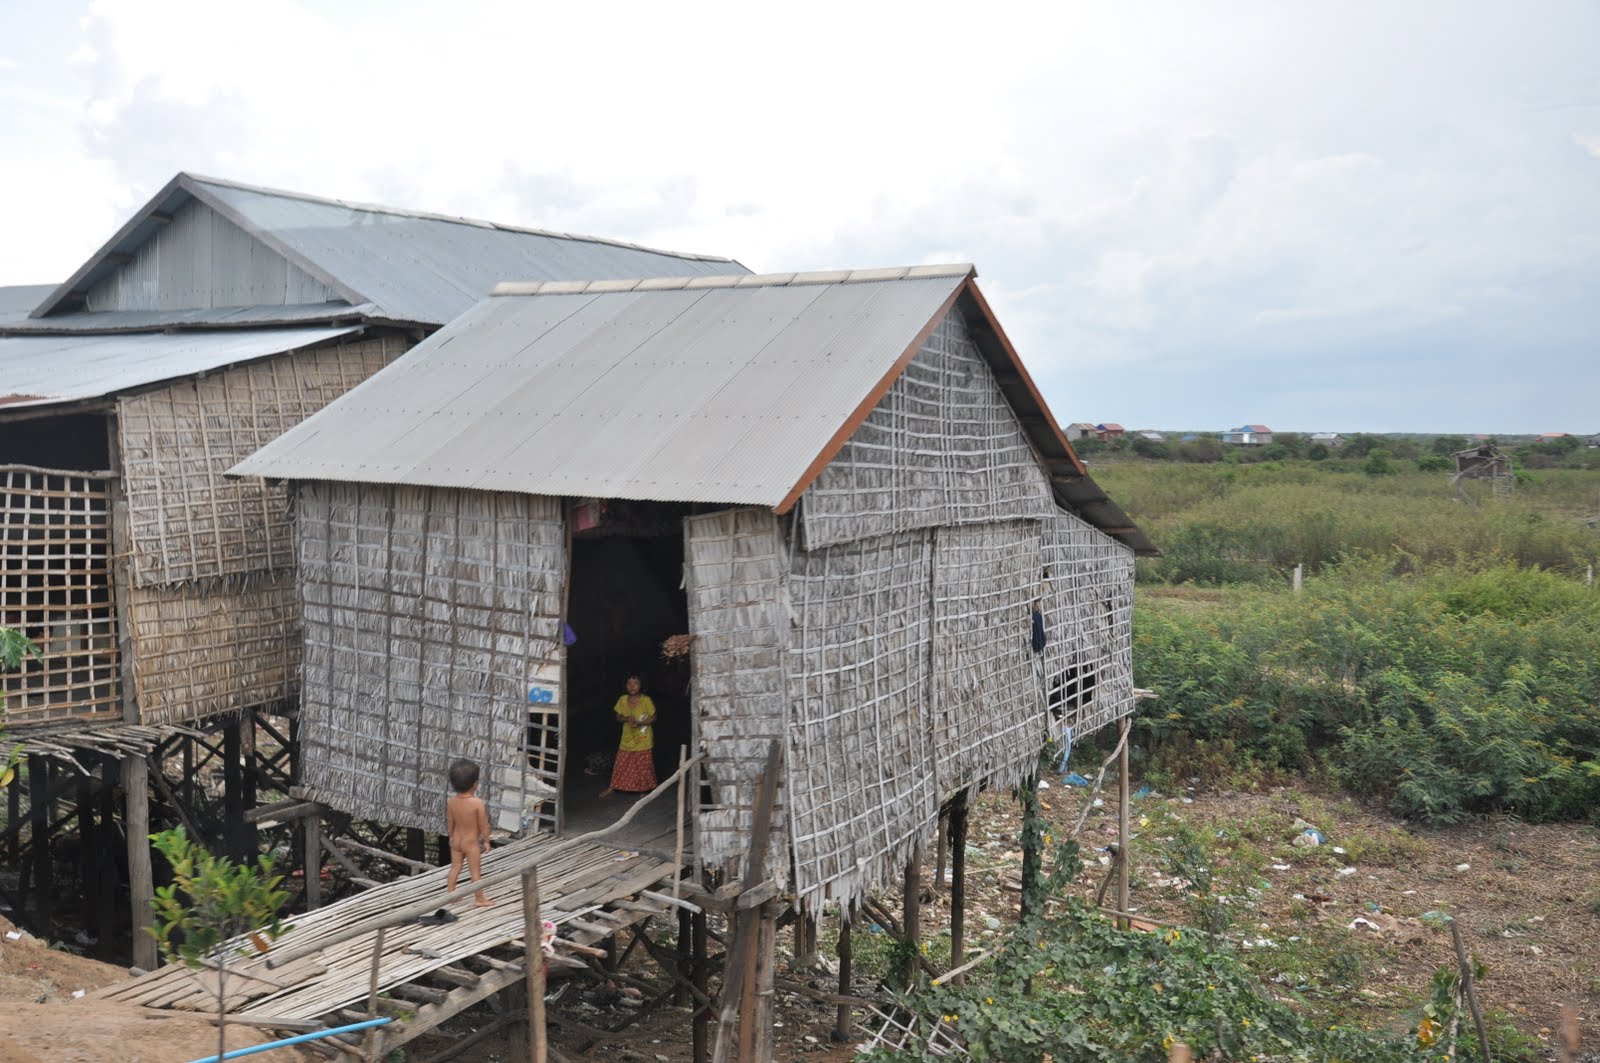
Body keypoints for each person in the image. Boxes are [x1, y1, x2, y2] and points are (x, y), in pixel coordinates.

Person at [599, 675, 657, 797]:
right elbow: (618, 717)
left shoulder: (646, 700)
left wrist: (640, 722)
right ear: (625, 685)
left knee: (642, 765)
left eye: (635, 683)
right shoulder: (622, 700)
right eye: (629, 683)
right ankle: (612, 787)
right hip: (627, 738)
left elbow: (654, 718)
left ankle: (643, 790)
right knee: (621, 763)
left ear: (641, 685)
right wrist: (626, 718)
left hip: (643, 739)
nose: (632, 686)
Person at [446, 758, 493, 907]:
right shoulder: (477, 803)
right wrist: (486, 840)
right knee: (475, 872)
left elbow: (450, 821)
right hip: (470, 843)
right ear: (475, 784)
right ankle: (479, 898)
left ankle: (451, 894)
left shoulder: (451, 802)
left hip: (456, 841)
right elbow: (483, 825)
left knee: (455, 867)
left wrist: (451, 836)